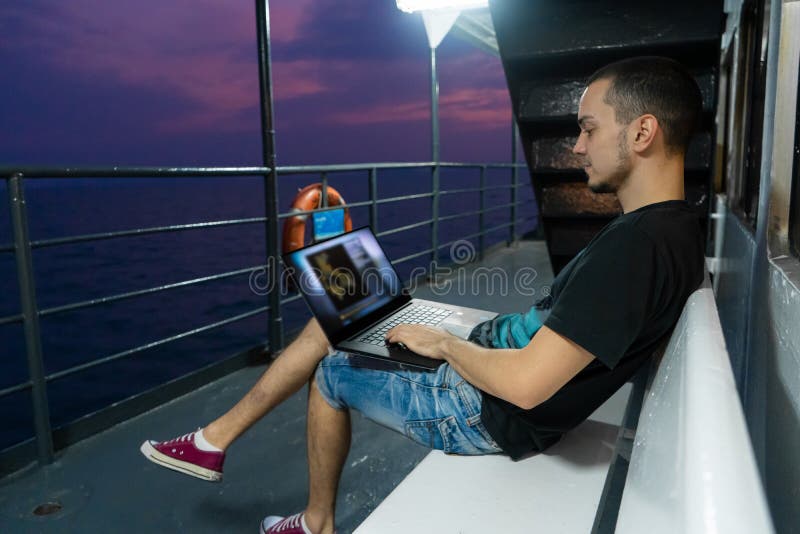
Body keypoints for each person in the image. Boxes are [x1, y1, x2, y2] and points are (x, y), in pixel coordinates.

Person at [140, 56, 705, 534]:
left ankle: (313, 522)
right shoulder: (673, 228)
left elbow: (528, 387)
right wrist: (459, 333)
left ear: (641, 132)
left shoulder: (635, 248)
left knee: (331, 372)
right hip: (503, 348)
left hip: (493, 409)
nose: (578, 146)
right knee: (345, 312)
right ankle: (214, 441)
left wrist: (443, 344)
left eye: (588, 128)